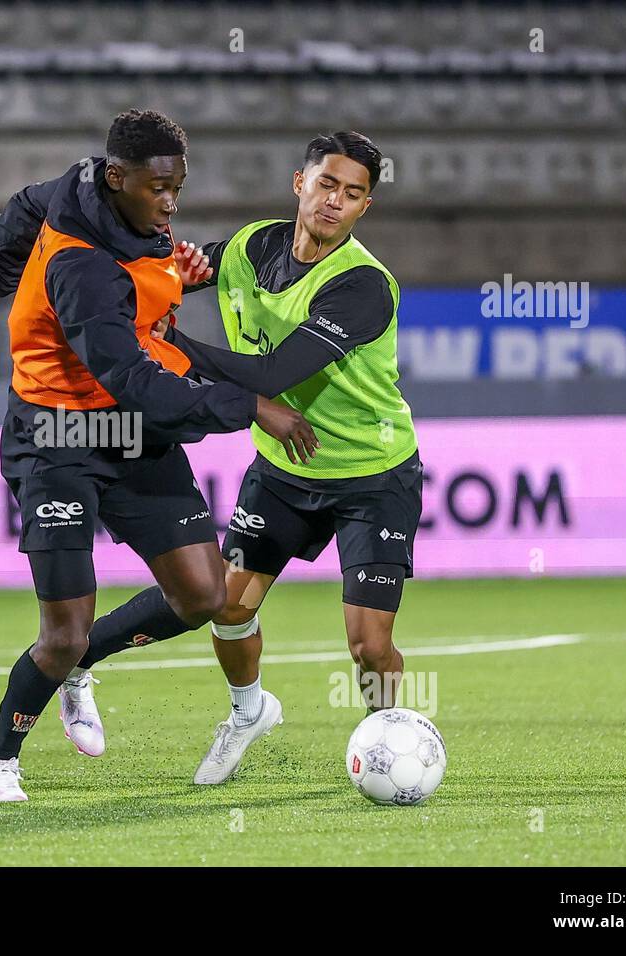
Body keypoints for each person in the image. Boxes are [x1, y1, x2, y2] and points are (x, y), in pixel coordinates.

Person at [0, 109, 314, 802]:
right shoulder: (82, 266)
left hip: (130, 436)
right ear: (116, 178)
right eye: (158, 188)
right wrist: (249, 405)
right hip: (60, 439)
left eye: (177, 186)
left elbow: (20, 210)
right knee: (64, 629)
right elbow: (135, 384)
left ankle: (79, 667)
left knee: (203, 594)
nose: (171, 203)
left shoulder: (81, 195)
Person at [150, 131, 423, 784]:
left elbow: (276, 374)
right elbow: (177, 266)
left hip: (371, 477)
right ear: (300, 183)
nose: (336, 200)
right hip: (282, 470)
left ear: (364, 210)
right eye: (327, 183)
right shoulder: (253, 246)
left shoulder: (362, 285)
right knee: (228, 607)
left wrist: (172, 344)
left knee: (369, 645)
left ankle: (386, 740)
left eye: (353, 194)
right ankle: (248, 712)